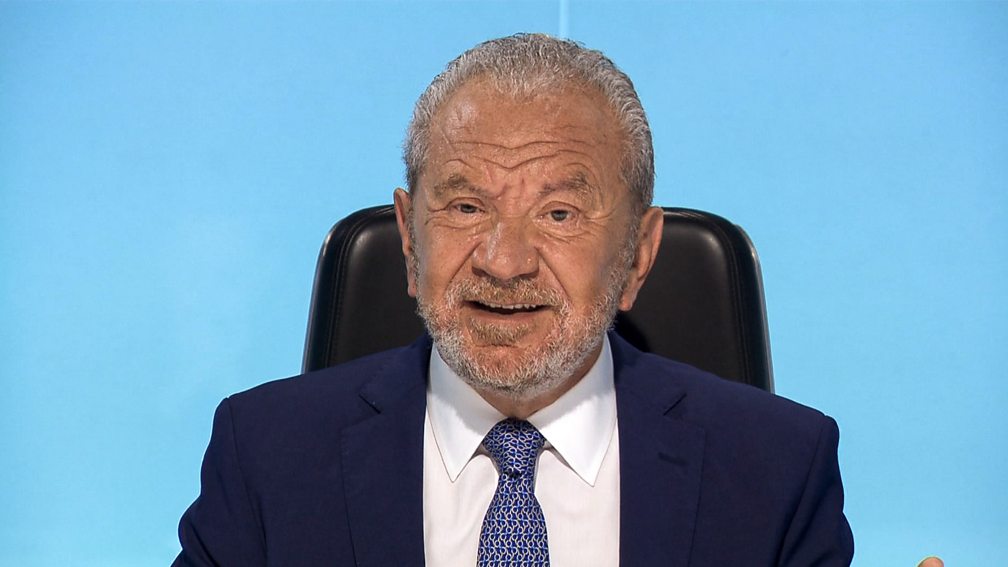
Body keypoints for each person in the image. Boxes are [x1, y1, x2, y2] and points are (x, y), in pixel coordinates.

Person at [175, 34, 856, 566]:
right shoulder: (264, 456)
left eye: (559, 214)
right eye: (466, 207)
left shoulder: (779, 471)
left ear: (638, 255)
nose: (504, 262)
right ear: (410, 241)